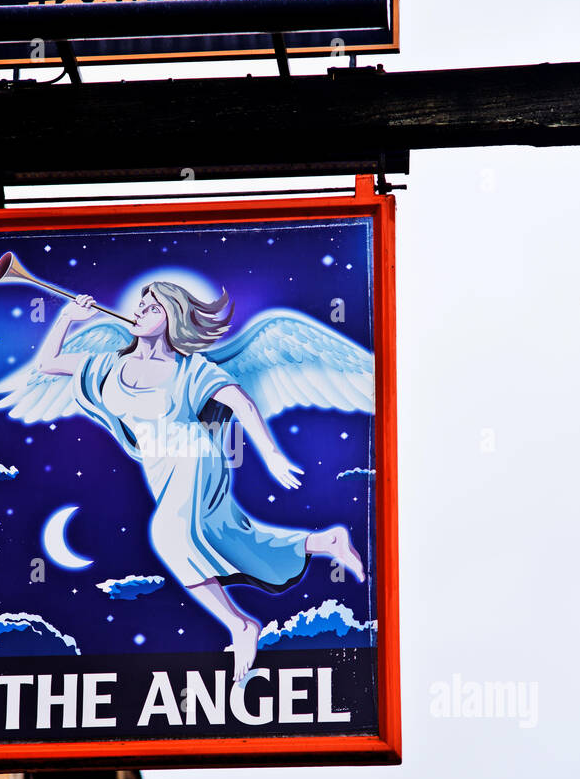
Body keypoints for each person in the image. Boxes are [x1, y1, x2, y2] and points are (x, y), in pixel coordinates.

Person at [31, 281, 365, 680]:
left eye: (153, 308)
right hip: (159, 468)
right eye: (141, 304)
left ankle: (240, 625)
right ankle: (325, 542)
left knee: (168, 536)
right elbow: (47, 363)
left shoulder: (190, 369)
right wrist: (68, 318)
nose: (140, 311)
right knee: (229, 536)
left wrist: (271, 453)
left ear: (172, 318)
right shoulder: (106, 364)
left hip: (196, 456)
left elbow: (239, 401)